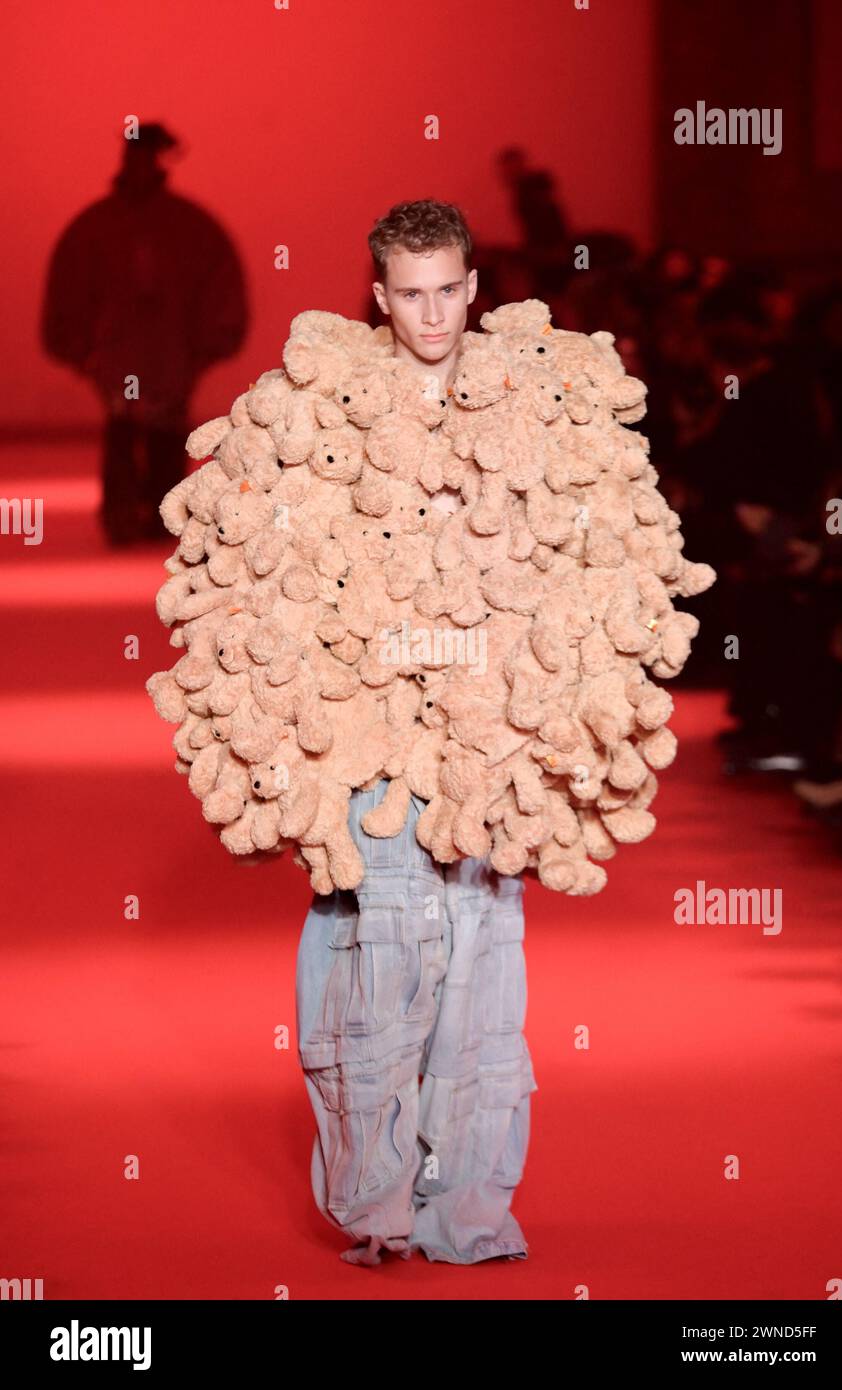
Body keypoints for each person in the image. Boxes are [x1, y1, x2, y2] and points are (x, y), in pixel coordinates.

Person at [295, 200, 538, 1267]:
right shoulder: (335, 413)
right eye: (409, 293)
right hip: (376, 739)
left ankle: (469, 1210)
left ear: (473, 286)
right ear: (378, 295)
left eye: (449, 289)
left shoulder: (530, 409)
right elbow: (309, 588)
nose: (431, 312)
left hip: (485, 739)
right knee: (375, 965)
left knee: (482, 970)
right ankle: (377, 1208)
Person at [40, 122, 248, 545]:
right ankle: (132, 517)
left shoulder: (183, 228)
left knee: (156, 434)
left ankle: (154, 517)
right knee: (128, 430)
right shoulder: (105, 228)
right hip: (127, 355)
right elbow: (70, 288)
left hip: (163, 357)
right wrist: (79, 347)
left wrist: (206, 346)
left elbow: (218, 286)